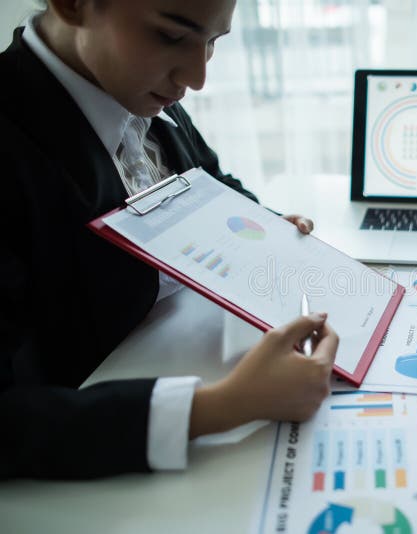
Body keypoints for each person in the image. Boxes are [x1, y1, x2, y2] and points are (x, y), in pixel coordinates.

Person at [0, 0, 339, 480]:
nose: (197, 78)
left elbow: (212, 182)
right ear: (74, 5)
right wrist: (221, 407)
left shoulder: (137, 90)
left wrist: (263, 227)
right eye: (171, 36)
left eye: (214, 42)